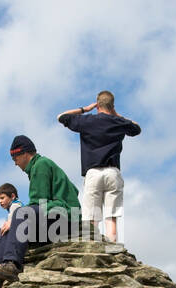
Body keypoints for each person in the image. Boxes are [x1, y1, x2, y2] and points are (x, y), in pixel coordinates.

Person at [0, 135, 80, 288]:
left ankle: (12, 265)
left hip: (66, 221)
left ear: (24, 154)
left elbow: (38, 203)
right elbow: (72, 190)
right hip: (54, 220)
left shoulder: (41, 165)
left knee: (21, 213)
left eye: (15, 158)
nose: (15, 163)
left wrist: (15, 219)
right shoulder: (40, 167)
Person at [57, 90, 140, 242]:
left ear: (97, 105)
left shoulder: (87, 120)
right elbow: (136, 129)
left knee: (91, 217)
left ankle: (93, 248)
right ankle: (112, 247)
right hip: (113, 172)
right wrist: (116, 115)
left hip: (93, 173)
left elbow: (62, 117)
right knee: (111, 216)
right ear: (112, 105)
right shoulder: (118, 122)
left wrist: (85, 109)